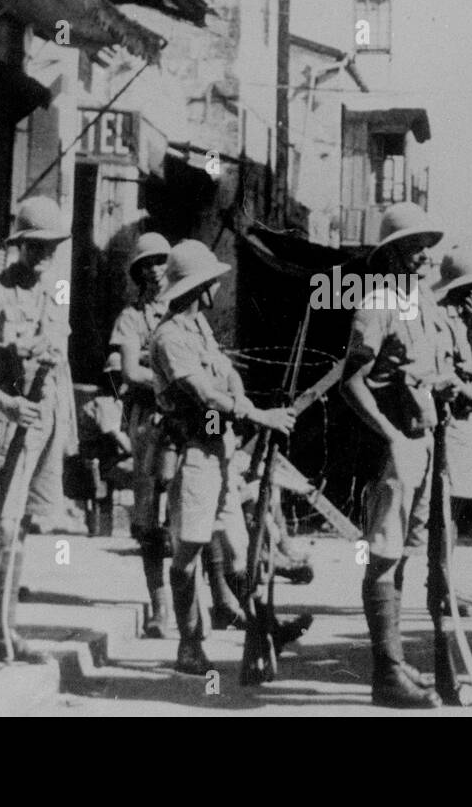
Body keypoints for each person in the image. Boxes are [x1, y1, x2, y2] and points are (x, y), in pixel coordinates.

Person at [148, 240, 296, 674]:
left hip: (219, 450)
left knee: (238, 552)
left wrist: (240, 399)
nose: (217, 287)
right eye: (212, 281)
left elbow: (227, 376)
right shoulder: (170, 336)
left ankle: (263, 627)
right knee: (189, 551)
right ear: (198, 286)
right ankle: (190, 643)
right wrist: (257, 414)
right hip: (192, 450)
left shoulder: (200, 330)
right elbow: (204, 394)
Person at [0, 196, 78, 674]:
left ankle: (4, 632)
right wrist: (6, 404)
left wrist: (63, 432)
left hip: (42, 422)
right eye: (37, 246)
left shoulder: (52, 294)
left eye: (53, 246)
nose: (45, 255)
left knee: (21, 528)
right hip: (4, 424)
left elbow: (58, 362)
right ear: (20, 245)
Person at [341, 202, 448, 708]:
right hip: (396, 448)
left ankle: (395, 658)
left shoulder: (420, 302)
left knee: (404, 552)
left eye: (426, 245)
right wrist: (389, 435)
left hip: (423, 442)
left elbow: (422, 371)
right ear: (392, 257)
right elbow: (352, 381)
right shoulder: (378, 302)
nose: (425, 256)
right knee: (383, 556)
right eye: (413, 248)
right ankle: (385, 675)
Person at [111, 231, 174, 637]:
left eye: (160, 261)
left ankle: (216, 600)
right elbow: (130, 372)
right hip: (149, 419)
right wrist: (173, 377)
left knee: (194, 508)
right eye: (145, 264)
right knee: (150, 516)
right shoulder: (131, 317)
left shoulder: (187, 308)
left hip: (187, 417)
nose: (154, 270)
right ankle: (161, 607)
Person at [431, 247, 472, 617]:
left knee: (460, 505)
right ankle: (442, 585)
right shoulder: (442, 321)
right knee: (447, 507)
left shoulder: (471, 321)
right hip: (454, 419)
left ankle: (443, 581)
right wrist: (471, 391)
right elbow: (441, 373)